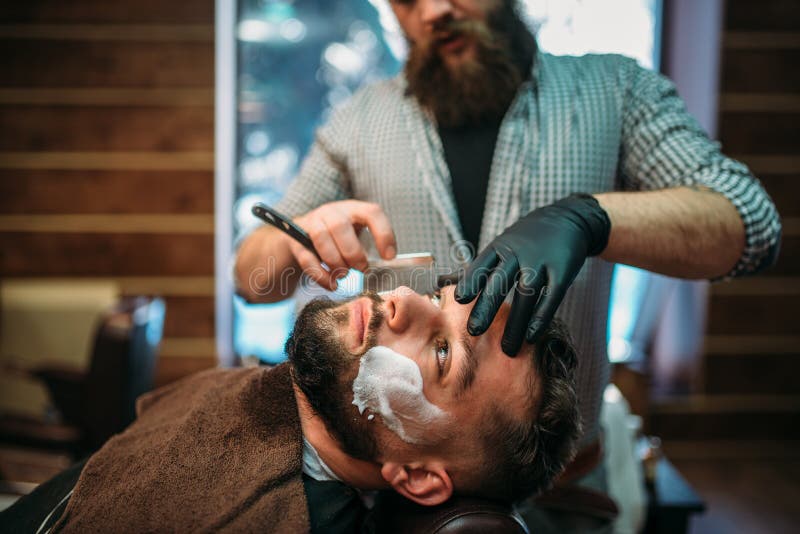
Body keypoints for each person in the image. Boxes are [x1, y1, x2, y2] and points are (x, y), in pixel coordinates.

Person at [234, 0, 781, 529]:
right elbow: (250, 279)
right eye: (405, 0)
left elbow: (750, 221)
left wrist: (589, 219)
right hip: (397, 505)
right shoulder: (359, 123)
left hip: (569, 496)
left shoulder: (615, 92)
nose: (432, 11)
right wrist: (295, 243)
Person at [0, 285, 581, 533]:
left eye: (442, 350)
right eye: (436, 298)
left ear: (421, 478)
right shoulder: (269, 397)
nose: (401, 299)